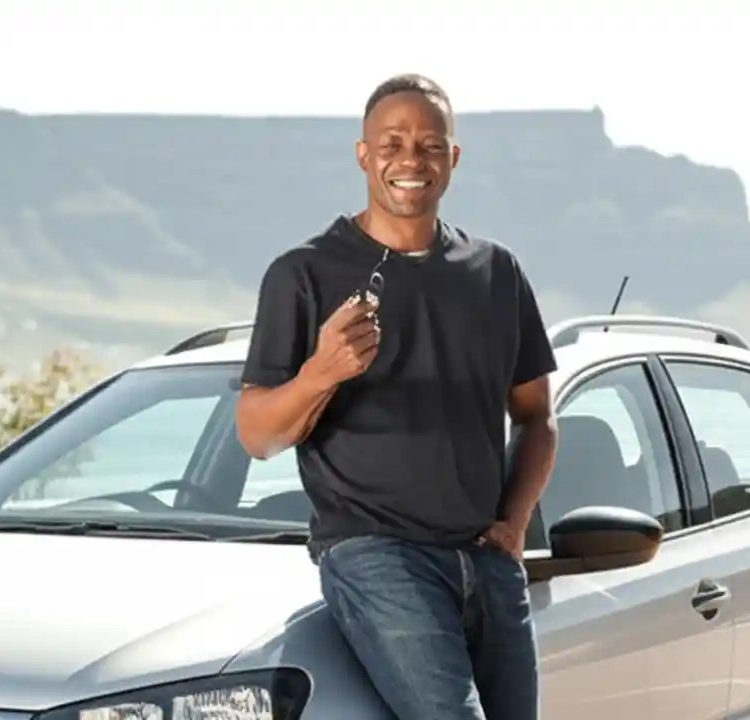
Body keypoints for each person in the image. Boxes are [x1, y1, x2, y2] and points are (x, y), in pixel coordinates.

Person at [234, 73, 558, 720]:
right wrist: (321, 371)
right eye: (392, 142)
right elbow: (256, 434)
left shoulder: (496, 273)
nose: (411, 159)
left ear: (453, 159)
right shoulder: (303, 275)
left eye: (430, 145)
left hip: (486, 560)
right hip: (375, 555)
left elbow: (537, 419)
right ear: (363, 154)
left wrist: (515, 523)